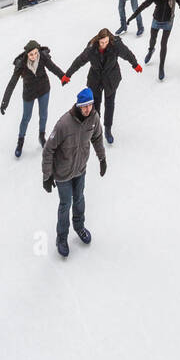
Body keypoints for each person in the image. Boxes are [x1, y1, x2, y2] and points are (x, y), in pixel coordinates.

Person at [42, 87, 106, 258]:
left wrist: (102, 159)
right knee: (65, 205)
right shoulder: (64, 123)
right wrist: (47, 176)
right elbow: (48, 149)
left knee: (79, 199)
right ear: (79, 105)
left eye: (90, 105)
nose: (87, 109)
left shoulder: (93, 118)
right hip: (63, 173)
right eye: (84, 106)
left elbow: (97, 137)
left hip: (80, 169)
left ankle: (79, 227)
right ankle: (61, 238)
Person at [63, 27, 141, 143]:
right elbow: (79, 61)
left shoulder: (116, 45)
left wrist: (135, 64)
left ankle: (108, 129)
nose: (104, 44)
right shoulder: (91, 49)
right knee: (95, 105)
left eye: (106, 42)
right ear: (98, 40)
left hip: (111, 79)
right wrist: (68, 74)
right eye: (102, 42)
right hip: (96, 79)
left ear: (109, 39)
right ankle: (95, 127)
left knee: (109, 104)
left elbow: (127, 54)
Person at [1, 38, 66, 157]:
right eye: (31, 54)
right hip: (29, 93)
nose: (34, 56)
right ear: (27, 54)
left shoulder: (42, 57)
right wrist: (5, 102)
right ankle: (20, 141)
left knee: (43, 114)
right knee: (26, 117)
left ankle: (42, 136)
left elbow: (52, 67)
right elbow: (12, 83)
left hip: (43, 89)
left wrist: (62, 76)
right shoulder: (21, 64)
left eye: (36, 53)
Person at [128, 0, 180, 80]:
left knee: (163, 44)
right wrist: (132, 17)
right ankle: (151, 50)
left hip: (168, 22)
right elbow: (144, 5)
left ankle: (161, 67)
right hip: (156, 20)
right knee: (152, 40)